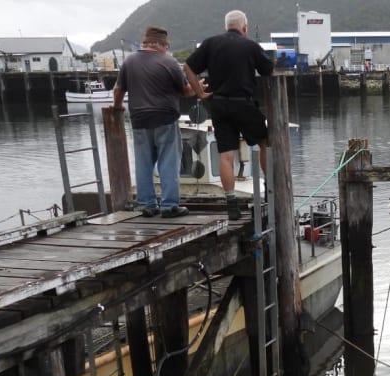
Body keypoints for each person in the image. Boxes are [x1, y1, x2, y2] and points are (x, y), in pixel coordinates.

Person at [183, 10, 274, 220]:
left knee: (226, 154)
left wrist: (199, 92)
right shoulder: (250, 45)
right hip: (243, 103)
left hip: (219, 104)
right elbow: (268, 70)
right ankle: (269, 186)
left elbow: (188, 67)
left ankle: (231, 201)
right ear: (245, 27)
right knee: (264, 142)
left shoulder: (210, 43)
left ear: (226, 26)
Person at [113, 26, 203, 218]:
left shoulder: (129, 62)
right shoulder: (169, 62)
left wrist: (117, 107)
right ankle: (169, 206)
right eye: (167, 46)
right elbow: (185, 91)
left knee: (143, 162)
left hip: (139, 119)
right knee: (168, 162)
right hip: (165, 118)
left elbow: (118, 90)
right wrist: (198, 88)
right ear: (162, 44)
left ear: (145, 42)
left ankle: (147, 205)